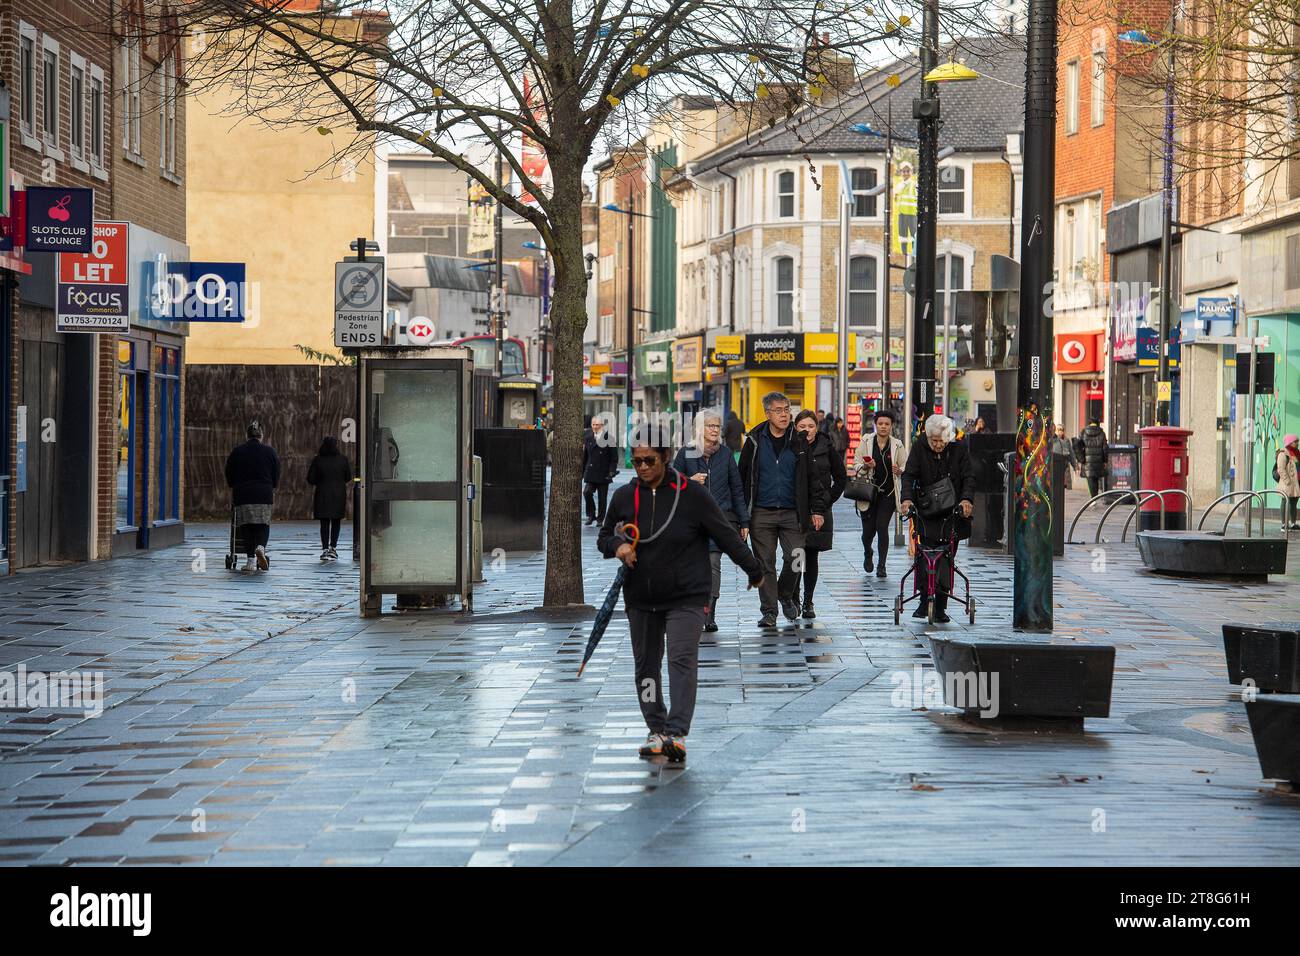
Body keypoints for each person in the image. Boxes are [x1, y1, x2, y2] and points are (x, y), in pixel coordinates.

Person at [598, 444, 763, 765]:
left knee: (681, 659)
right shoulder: (623, 497)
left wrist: (755, 570)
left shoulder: (692, 496)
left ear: (666, 458)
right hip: (641, 595)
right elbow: (604, 537)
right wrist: (617, 545)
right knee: (646, 666)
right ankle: (655, 728)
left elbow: (726, 535)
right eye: (637, 461)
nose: (642, 467)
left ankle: (676, 732)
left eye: (649, 461)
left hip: (687, 594)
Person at [738, 392, 828, 627]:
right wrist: (742, 519)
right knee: (765, 564)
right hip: (761, 513)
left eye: (787, 409)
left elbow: (812, 478)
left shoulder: (799, 441)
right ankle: (769, 612)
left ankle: (785, 594)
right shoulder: (754, 441)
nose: (784, 414)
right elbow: (741, 478)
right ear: (767, 413)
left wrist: (816, 510)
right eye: (778, 410)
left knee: (797, 557)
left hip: (792, 512)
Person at [673, 410, 749, 633]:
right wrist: (689, 481)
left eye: (717, 426)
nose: (715, 430)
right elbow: (671, 483)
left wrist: (744, 521)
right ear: (699, 428)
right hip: (691, 522)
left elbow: (736, 489)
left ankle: (709, 612)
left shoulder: (725, 454)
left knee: (713, 564)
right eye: (710, 426)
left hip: (719, 519)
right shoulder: (686, 453)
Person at [900, 414, 975, 623]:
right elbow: (908, 476)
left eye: (942, 441)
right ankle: (925, 599)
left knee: (946, 558)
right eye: (934, 441)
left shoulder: (959, 449)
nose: (938, 445)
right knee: (924, 556)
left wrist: (967, 500)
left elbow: (969, 477)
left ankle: (940, 605)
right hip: (926, 512)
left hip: (953, 513)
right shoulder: (919, 447)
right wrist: (907, 500)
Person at [793, 410, 846, 618]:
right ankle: (794, 597)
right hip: (796, 510)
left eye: (810, 426)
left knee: (812, 555)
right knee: (796, 554)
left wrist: (826, 500)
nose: (806, 430)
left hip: (819, 510)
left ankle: (808, 601)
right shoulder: (791, 446)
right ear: (795, 428)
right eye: (802, 426)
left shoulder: (826, 445)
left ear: (817, 428)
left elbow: (841, 477)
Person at [853, 408, 906, 578]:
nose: (883, 427)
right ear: (875, 425)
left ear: (892, 426)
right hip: (868, 493)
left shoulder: (897, 444)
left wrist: (899, 470)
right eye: (880, 423)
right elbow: (856, 464)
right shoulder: (866, 441)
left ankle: (881, 565)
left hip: (888, 493)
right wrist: (865, 466)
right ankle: (868, 552)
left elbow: (906, 466)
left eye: (887, 424)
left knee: (882, 527)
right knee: (868, 532)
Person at [224, 421, 280, 573]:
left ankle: (250, 561)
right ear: (261, 436)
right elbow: (276, 473)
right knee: (263, 524)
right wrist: (272, 486)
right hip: (264, 493)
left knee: (246, 526)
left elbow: (229, 472)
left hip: (244, 494)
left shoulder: (237, 451)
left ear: (247, 436)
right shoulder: (270, 452)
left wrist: (233, 485)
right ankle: (261, 547)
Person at [306, 436, 353, 561]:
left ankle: (325, 548)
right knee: (336, 521)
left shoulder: (318, 460)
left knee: (324, 522)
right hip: (339, 494)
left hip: (322, 494)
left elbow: (310, 478)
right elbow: (348, 476)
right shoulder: (343, 459)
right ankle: (333, 547)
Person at [581, 416, 618, 525]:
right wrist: (583, 471)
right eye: (593, 425)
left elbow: (614, 458)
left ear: (602, 425)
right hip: (591, 471)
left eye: (597, 425)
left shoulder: (609, 438)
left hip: (603, 472)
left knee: (602, 498)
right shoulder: (588, 436)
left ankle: (600, 519)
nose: (595, 427)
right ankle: (591, 515)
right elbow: (585, 456)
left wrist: (612, 471)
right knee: (587, 492)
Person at [1078, 417, 1109, 498]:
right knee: (1096, 478)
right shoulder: (1102, 433)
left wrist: (1081, 458)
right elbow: (1105, 448)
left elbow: (1078, 445)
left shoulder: (1084, 432)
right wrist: (1105, 460)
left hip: (1087, 460)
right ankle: (1095, 496)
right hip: (1099, 460)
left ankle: (1093, 497)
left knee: (1090, 478)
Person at [1275, 435, 1300, 530]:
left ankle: (1293, 524)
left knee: (1294, 503)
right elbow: (1280, 469)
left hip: (1297, 482)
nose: (1297, 443)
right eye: (1296, 441)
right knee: (1285, 501)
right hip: (1288, 483)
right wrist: (1287, 481)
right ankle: (1283, 524)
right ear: (1290, 442)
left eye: (1298, 441)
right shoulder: (1283, 454)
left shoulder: (1297, 453)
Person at [1050, 423, 1077, 490]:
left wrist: (1075, 466)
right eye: (1058, 430)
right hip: (1054, 467)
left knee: (1063, 488)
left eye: (1062, 430)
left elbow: (1071, 454)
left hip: (1064, 467)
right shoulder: (1050, 440)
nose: (1060, 431)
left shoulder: (1065, 441)